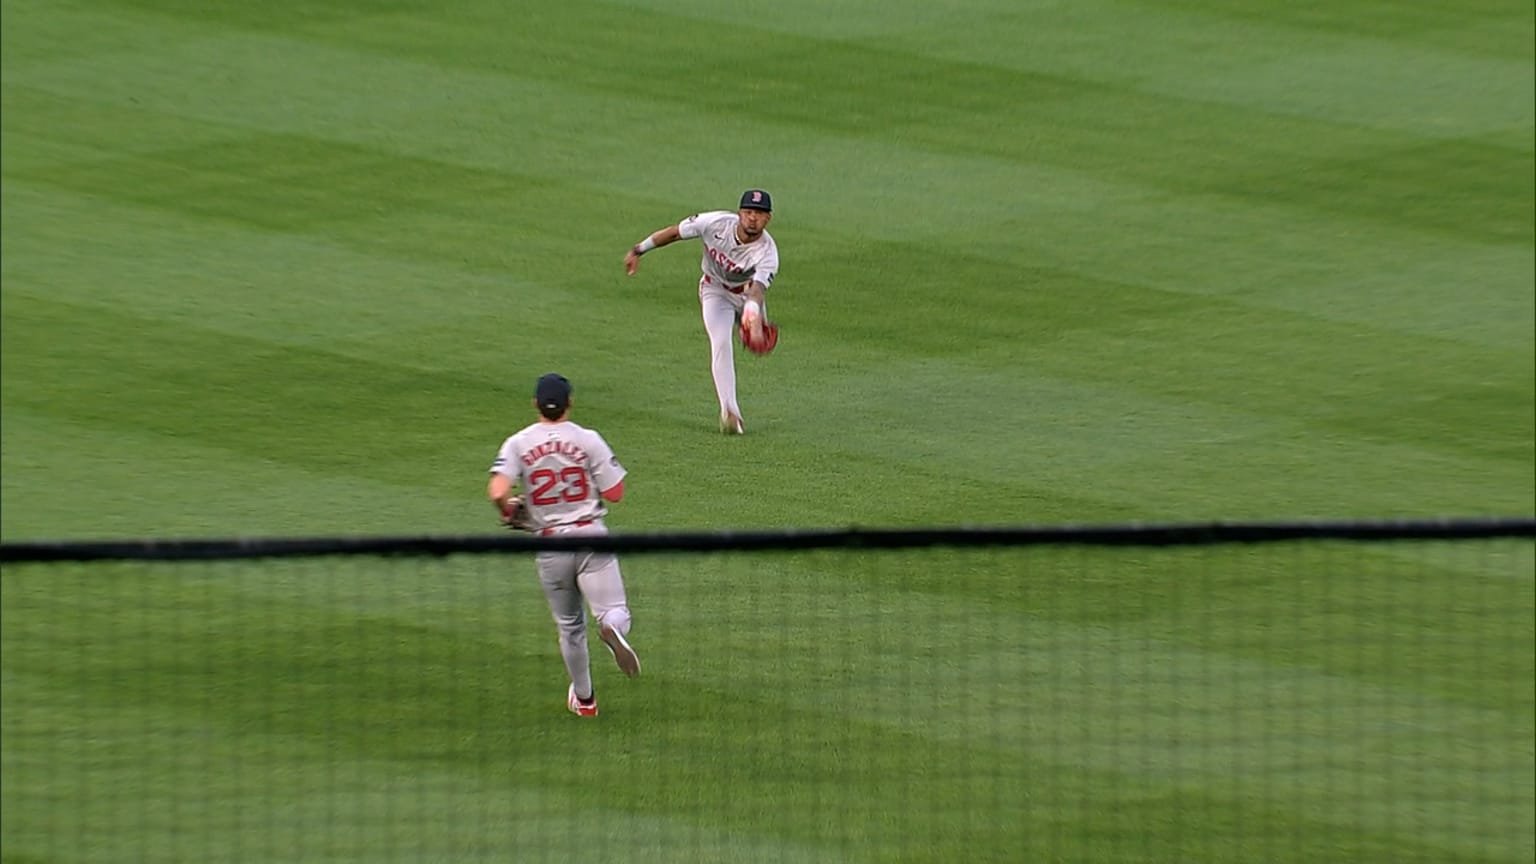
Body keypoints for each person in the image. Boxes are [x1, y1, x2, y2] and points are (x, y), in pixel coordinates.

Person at [487, 373, 640, 718]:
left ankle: (585, 701)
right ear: (570, 403)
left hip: (550, 545)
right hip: (590, 537)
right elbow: (616, 493)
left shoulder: (518, 442)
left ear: (535, 405)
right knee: (614, 609)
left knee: (570, 626)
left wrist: (509, 509)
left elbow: (497, 491)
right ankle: (612, 627)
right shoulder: (588, 439)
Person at [624, 188, 780, 435]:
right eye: (748, 211)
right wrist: (638, 250)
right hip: (714, 290)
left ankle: (749, 325)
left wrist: (752, 313)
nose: (753, 218)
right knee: (720, 343)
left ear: (768, 218)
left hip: (747, 294)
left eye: (759, 214)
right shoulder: (714, 223)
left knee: (759, 340)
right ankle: (730, 412)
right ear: (739, 213)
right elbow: (675, 233)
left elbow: (758, 289)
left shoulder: (768, 252)